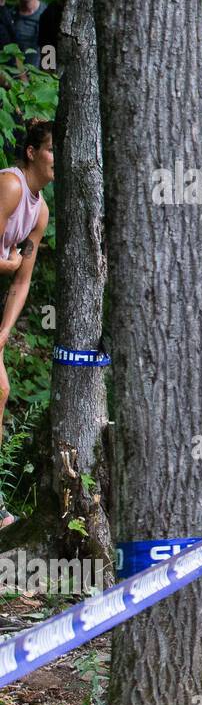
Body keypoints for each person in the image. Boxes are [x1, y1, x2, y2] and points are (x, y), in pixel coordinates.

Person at [0, 121, 53, 527]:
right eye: (52, 149)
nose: (59, 159)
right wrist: (9, 261)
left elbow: (23, 282)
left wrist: (3, 333)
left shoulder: (40, 211)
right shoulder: (11, 186)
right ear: (32, 152)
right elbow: (13, 265)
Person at [9, 0, 47, 67]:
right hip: (15, 77)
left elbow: (51, 49)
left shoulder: (48, 14)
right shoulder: (9, 18)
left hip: (42, 77)